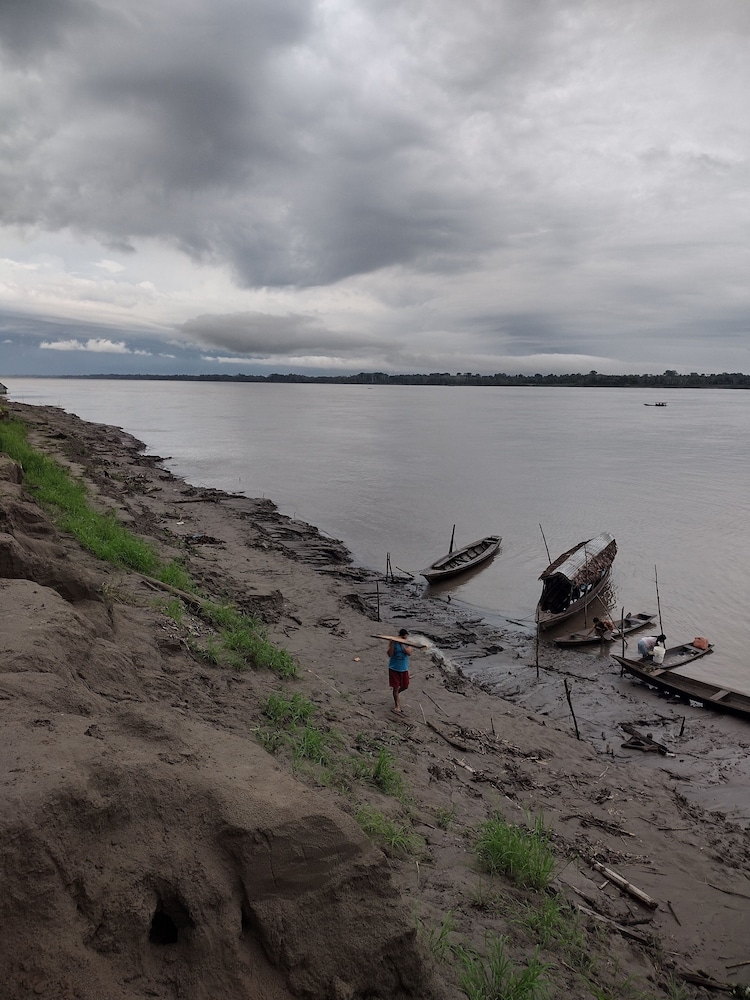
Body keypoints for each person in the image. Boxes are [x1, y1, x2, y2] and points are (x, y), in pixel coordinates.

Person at [387, 628, 413, 714]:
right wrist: (392, 644)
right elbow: (389, 654)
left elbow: (409, 653)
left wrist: (402, 644)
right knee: (395, 687)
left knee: (405, 686)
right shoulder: (394, 642)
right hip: (394, 668)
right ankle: (397, 705)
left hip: (403, 668)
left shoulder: (408, 643)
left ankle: (396, 693)